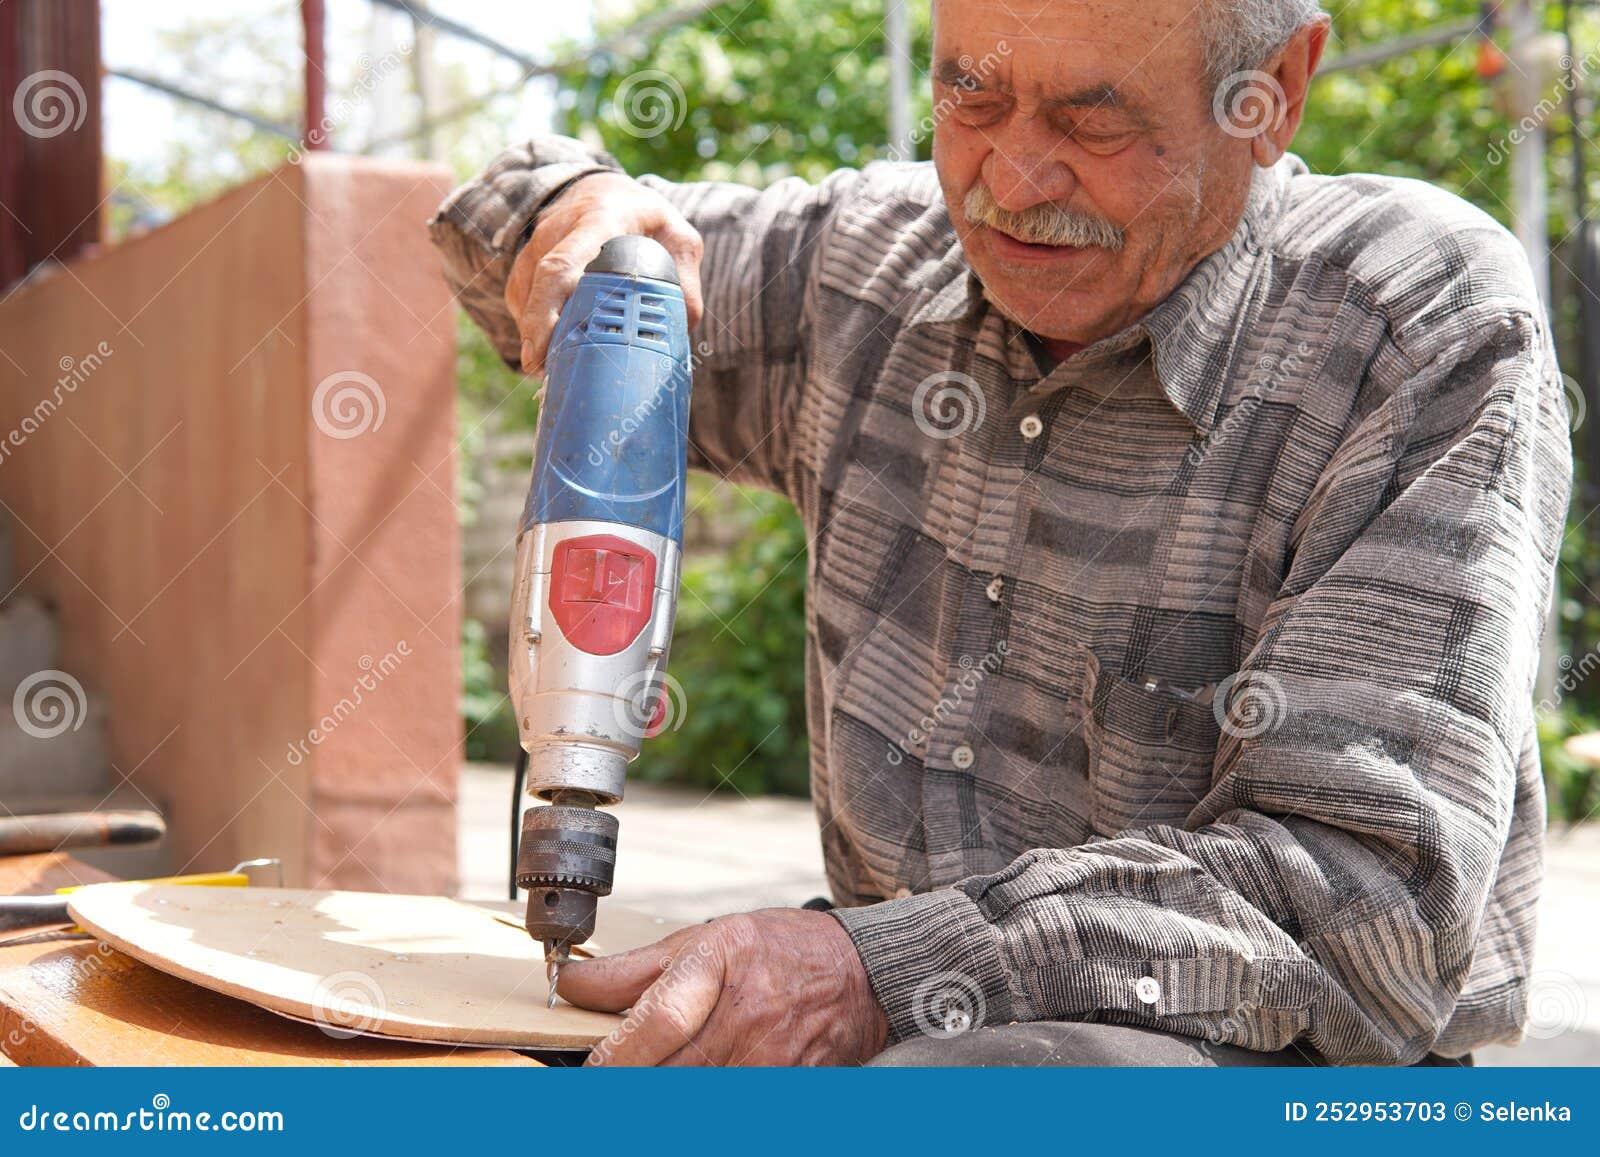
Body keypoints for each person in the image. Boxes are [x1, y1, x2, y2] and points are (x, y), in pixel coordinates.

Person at [429, 0, 1573, 1065]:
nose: (1011, 182)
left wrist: (871, 969)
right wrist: (570, 215)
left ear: (1272, 89)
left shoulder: (1412, 326)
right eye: (970, 98)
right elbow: (516, 230)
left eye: (1095, 119)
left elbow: (1366, 911)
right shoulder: (865, 264)